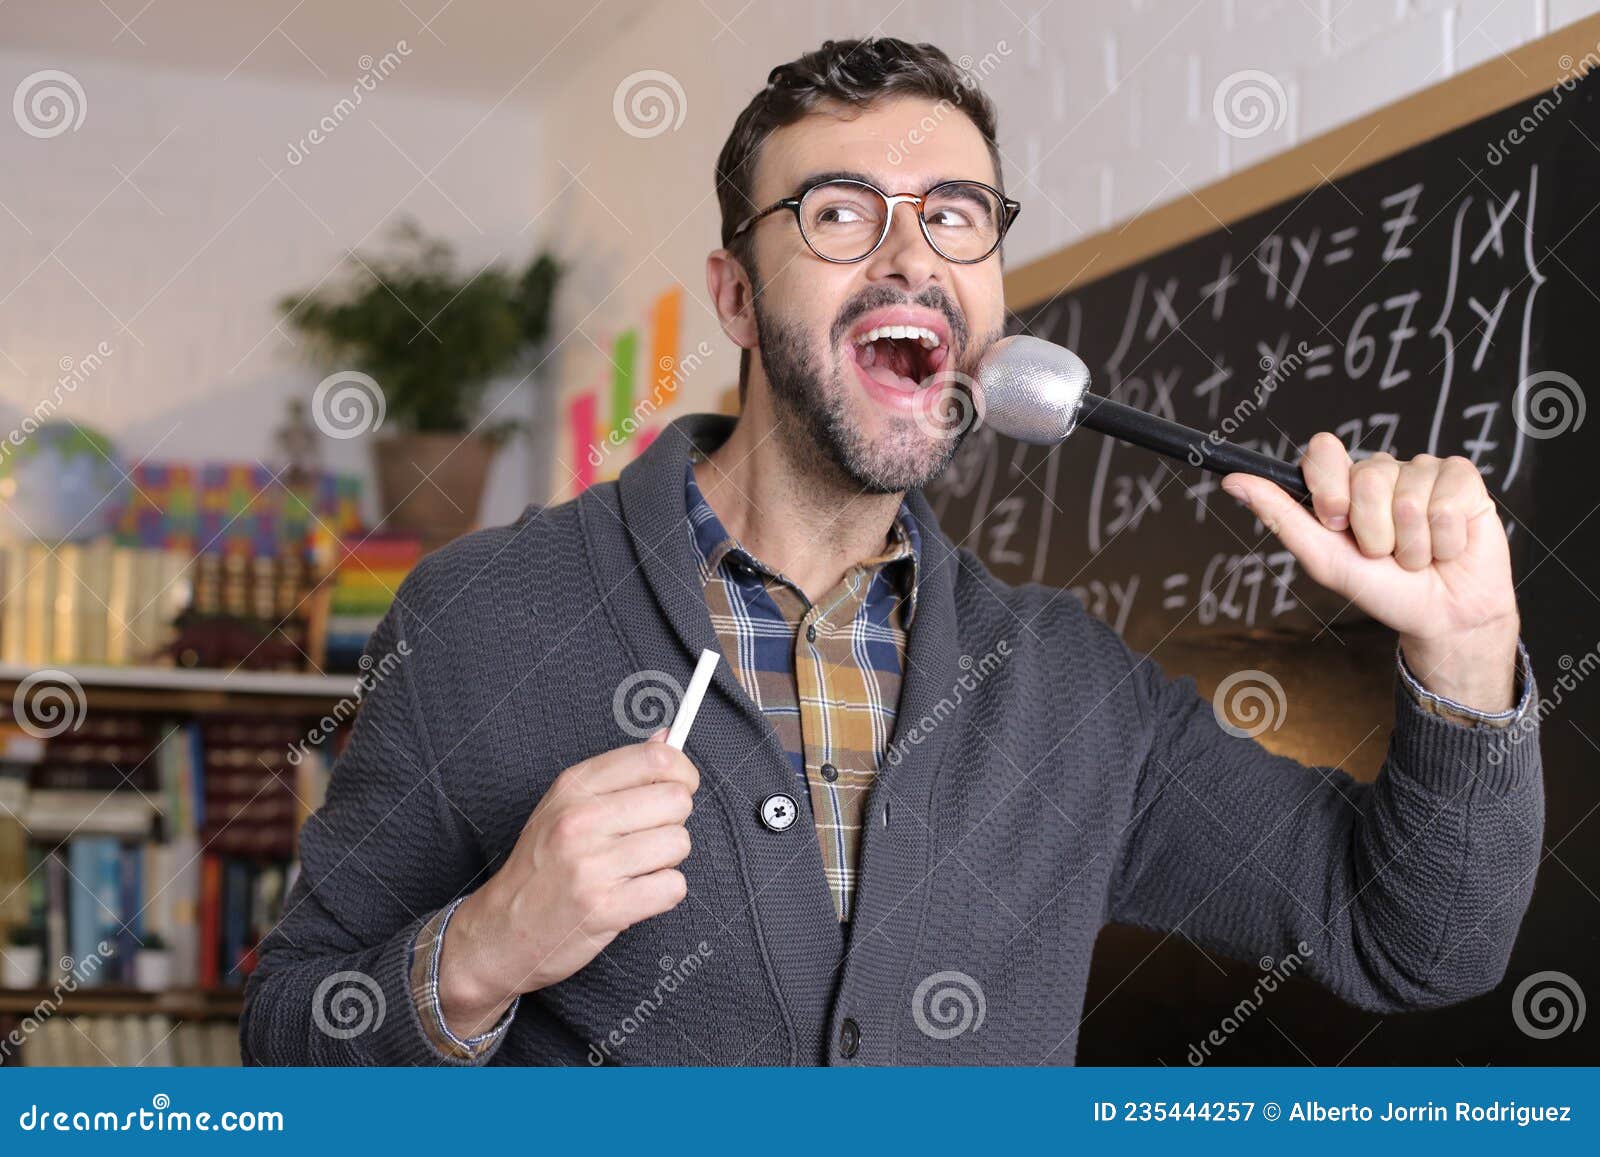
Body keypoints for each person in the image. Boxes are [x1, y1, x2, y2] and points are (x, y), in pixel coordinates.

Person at [242, 37, 1540, 1066]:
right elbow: (291, 1038)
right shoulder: (483, 615)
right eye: (839, 212)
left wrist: (1469, 651)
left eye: (958, 215)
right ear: (736, 295)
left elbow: (1417, 940)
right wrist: (480, 954)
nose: (912, 255)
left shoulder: (1073, 692)